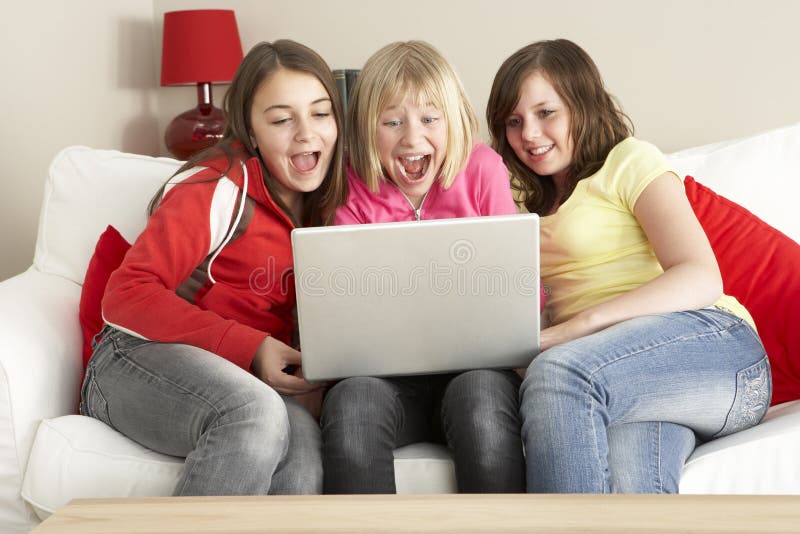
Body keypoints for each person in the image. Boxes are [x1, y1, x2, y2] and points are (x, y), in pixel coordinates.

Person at [486, 38, 771, 493]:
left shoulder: (628, 161)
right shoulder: (513, 203)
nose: (530, 135)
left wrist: (580, 327)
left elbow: (700, 275)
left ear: (583, 104)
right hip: (631, 385)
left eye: (546, 113)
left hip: (719, 356)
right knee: (635, 487)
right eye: (514, 122)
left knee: (559, 372)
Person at [79, 40, 347, 496]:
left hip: (248, 377)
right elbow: (126, 295)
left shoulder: (335, 205)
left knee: (304, 456)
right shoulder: (215, 187)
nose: (306, 133)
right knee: (254, 412)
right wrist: (252, 347)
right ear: (250, 131)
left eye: (320, 113)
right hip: (132, 360)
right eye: (282, 119)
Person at [320, 40, 528, 494]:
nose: (412, 138)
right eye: (392, 122)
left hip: (476, 372)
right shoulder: (351, 185)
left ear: (453, 123)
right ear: (365, 130)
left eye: (430, 119)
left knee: (482, 410)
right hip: (383, 380)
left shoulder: (481, 169)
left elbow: (518, 283)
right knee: (353, 407)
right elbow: (338, 302)